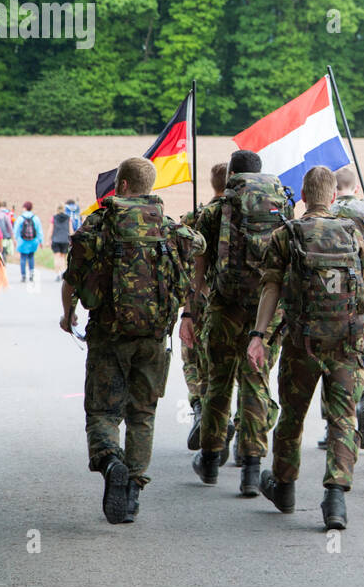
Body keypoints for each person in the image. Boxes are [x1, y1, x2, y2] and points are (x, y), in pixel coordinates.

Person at [61, 157, 203, 525]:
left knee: (104, 411)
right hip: (153, 337)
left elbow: (72, 279)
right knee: (142, 414)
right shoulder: (170, 229)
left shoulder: (100, 224)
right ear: (149, 188)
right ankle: (133, 490)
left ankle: (111, 463)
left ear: (121, 186)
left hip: (109, 336)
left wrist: (67, 315)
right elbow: (195, 255)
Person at [248, 165, 364, 531]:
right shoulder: (353, 232)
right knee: (341, 419)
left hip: (301, 341)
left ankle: (284, 487)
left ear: (303, 197)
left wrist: (258, 336)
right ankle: (335, 497)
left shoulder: (287, 234)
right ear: (334, 196)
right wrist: (355, 326)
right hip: (346, 344)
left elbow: (270, 289)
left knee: (292, 415)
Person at [182, 150, 291, 496]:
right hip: (267, 309)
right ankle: (251, 467)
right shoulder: (280, 209)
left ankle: (211, 460)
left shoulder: (214, 212)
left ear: (231, 174)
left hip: (225, 305)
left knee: (218, 381)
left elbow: (197, 270)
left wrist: (190, 311)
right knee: (256, 381)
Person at [328, 165, 364, 451]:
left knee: (331, 358)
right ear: (357, 188)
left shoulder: (328, 210)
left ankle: (334, 426)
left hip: (331, 295)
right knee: (363, 350)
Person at [179, 162, 227, 453]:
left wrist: (186, 310)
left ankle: (200, 408)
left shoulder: (195, 217)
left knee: (194, 356)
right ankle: (228, 416)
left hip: (200, 298)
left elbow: (185, 267)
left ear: (212, 184)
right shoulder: (250, 218)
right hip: (237, 302)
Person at [15, 201, 43, 282]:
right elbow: (39, 231)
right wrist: (40, 241)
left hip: (22, 241)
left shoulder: (20, 218)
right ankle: (31, 275)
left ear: (25, 208)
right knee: (31, 257)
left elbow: (16, 230)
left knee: (23, 258)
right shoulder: (35, 218)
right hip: (33, 241)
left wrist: (16, 239)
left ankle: (23, 276)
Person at [50, 205, 72, 277]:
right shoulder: (68, 218)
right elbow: (71, 229)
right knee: (63, 257)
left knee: (57, 257)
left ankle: (57, 273)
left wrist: (48, 239)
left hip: (56, 240)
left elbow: (51, 230)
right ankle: (63, 271)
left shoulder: (54, 218)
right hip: (65, 240)